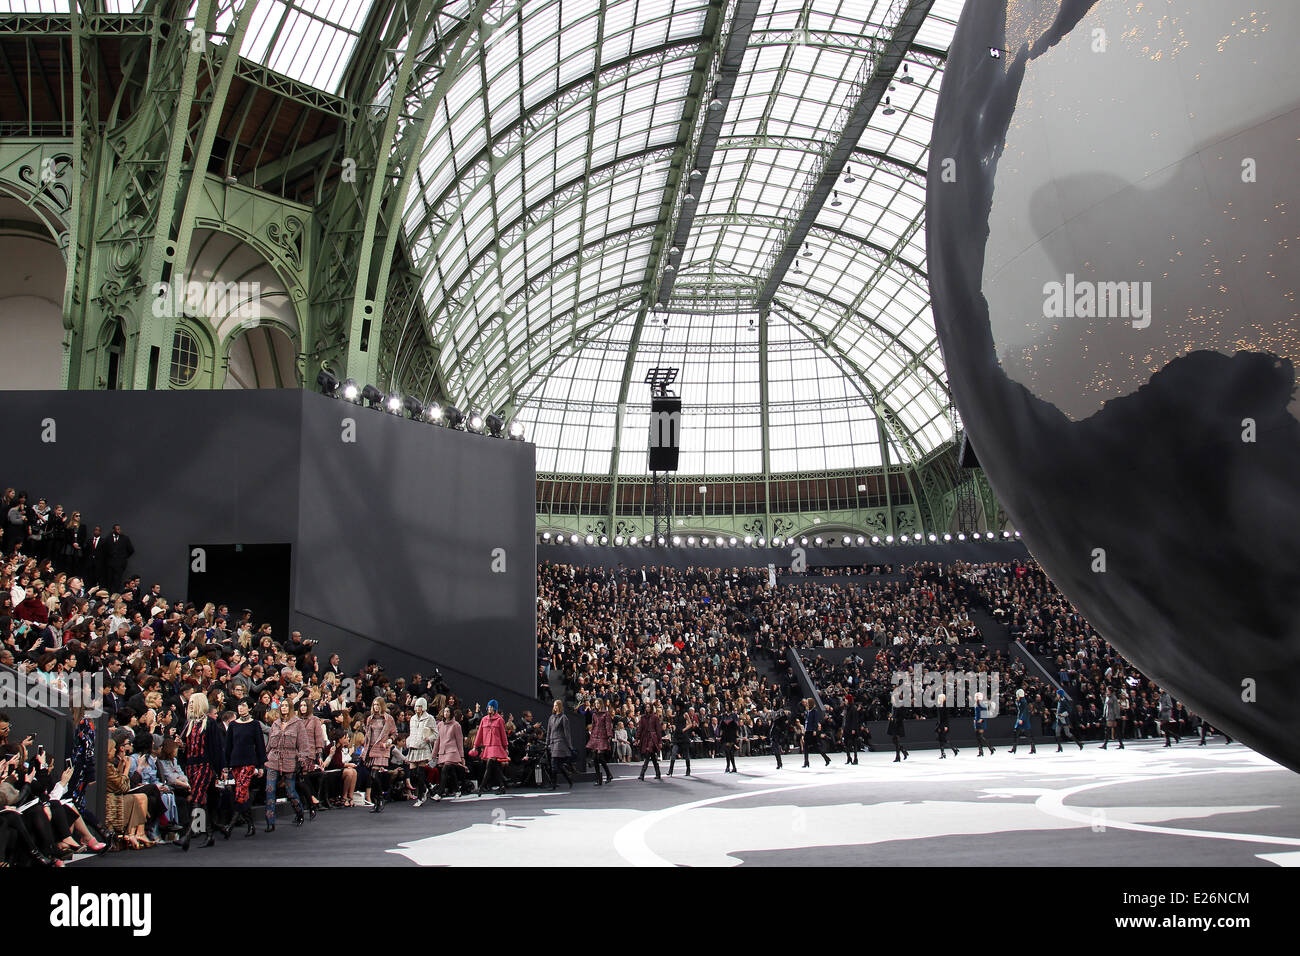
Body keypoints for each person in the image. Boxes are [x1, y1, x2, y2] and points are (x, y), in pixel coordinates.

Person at [179, 691, 227, 849]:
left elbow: (216, 748)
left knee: (197, 797)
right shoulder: (189, 723)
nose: (190, 704)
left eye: (193, 702)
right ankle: (210, 834)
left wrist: (221, 769)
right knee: (201, 800)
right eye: (190, 702)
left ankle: (187, 835)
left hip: (205, 765)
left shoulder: (210, 723)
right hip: (191, 765)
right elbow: (186, 747)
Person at [224, 698, 266, 837]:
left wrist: (260, 766)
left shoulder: (254, 724)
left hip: (249, 762)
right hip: (235, 762)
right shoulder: (233, 725)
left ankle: (230, 826)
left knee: (240, 791)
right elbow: (228, 747)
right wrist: (226, 766)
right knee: (243, 794)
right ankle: (251, 824)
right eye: (239, 706)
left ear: (249, 708)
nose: (240, 708)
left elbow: (260, 746)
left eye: (243, 706)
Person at [264, 698, 306, 831]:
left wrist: (301, 760)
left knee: (290, 792)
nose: (283, 708)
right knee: (270, 790)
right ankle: (270, 821)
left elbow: (303, 745)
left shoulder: (298, 724)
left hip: (290, 760)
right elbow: (269, 744)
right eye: (282, 705)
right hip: (273, 759)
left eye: (286, 706)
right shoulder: (275, 724)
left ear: (291, 708)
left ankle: (300, 812)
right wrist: (263, 758)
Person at [362, 697, 398, 811]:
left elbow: (394, 733)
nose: (375, 707)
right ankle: (378, 800)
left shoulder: (388, 719)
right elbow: (367, 736)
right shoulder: (370, 719)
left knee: (373, 774)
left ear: (381, 705)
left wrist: (389, 741)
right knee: (372, 777)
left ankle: (380, 798)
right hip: (371, 749)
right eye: (374, 705)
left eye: (377, 704)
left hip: (381, 748)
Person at [471, 699, 509, 794]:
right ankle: (502, 786)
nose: (489, 709)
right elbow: (479, 734)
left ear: (495, 708)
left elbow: (503, 735)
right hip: (488, 746)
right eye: (488, 707)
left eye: (491, 707)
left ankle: (481, 787)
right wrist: (475, 746)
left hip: (496, 746)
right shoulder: (484, 720)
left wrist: (506, 747)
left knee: (489, 765)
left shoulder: (500, 720)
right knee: (495, 766)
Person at [406, 697, 438, 806]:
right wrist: (409, 741)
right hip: (413, 747)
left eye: (419, 706)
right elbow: (411, 732)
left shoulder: (429, 718)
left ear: (423, 707)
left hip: (423, 748)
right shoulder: (413, 719)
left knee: (420, 773)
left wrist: (429, 738)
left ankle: (420, 797)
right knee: (413, 774)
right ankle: (428, 787)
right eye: (416, 706)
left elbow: (436, 734)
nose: (417, 708)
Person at [434, 705, 467, 799]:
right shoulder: (440, 725)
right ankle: (457, 790)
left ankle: (439, 793)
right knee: (450, 771)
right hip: (442, 751)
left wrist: (461, 756)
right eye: (445, 711)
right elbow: (437, 741)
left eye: (448, 711)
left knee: (445, 768)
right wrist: (433, 755)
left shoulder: (456, 725)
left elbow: (459, 741)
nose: (446, 713)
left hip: (452, 751)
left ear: (451, 713)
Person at [546, 700, 574, 789]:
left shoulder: (563, 718)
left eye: (556, 705)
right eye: (554, 705)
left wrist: (569, 745)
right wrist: (547, 743)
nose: (555, 707)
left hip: (560, 743)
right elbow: (549, 731)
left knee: (554, 763)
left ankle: (553, 784)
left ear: (560, 706)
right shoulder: (551, 718)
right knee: (558, 765)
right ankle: (568, 779)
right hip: (552, 742)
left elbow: (567, 733)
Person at [586, 697, 614, 786]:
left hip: (603, 736)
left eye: (598, 703)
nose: (596, 705)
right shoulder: (594, 714)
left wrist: (609, 735)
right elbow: (593, 725)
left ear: (601, 704)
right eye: (595, 703)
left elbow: (608, 725)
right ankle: (599, 779)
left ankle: (608, 775)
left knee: (600, 757)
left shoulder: (606, 714)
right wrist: (591, 736)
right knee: (595, 758)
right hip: (595, 736)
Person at [636, 702, 662, 781]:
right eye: (646, 707)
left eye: (648, 707)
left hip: (652, 738)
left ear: (651, 708)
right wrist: (637, 738)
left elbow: (658, 730)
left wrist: (660, 741)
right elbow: (640, 729)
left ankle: (642, 774)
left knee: (648, 755)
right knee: (653, 757)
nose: (647, 708)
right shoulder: (643, 718)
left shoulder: (655, 717)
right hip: (645, 738)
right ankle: (658, 773)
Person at [667, 705, 694, 777]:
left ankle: (688, 769)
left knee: (686, 754)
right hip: (677, 735)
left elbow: (690, 724)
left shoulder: (685, 714)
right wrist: (673, 726)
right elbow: (672, 719)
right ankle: (670, 770)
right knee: (673, 752)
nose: (677, 707)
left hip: (683, 736)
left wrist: (684, 729)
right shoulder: (676, 714)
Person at [802, 699, 829, 768]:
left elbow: (815, 721)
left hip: (812, 731)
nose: (806, 704)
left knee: (816, 747)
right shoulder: (807, 711)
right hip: (807, 730)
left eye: (807, 703)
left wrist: (814, 730)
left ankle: (826, 758)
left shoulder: (814, 711)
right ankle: (806, 762)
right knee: (805, 747)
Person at [1009, 688, 1036, 754]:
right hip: (1020, 719)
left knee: (1028, 734)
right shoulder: (1020, 700)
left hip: (1024, 719)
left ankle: (1033, 748)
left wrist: (1021, 719)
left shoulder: (1023, 701)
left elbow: (1024, 711)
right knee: (1016, 733)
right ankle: (1014, 748)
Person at [936, 693, 958, 758]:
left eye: (940, 698)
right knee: (940, 739)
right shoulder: (939, 705)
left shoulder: (945, 706)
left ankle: (951, 750)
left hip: (944, 724)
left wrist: (946, 726)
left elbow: (946, 717)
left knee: (942, 738)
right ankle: (946, 752)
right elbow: (939, 716)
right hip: (939, 724)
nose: (939, 699)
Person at [973, 692, 995, 756]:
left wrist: (981, 719)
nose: (976, 698)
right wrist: (975, 719)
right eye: (976, 696)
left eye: (977, 696)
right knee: (978, 737)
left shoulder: (982, 704)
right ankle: (981, 751)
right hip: (977, 721)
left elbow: (985, 712)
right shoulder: (976, 704)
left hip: (981, 721)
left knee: (980, 736)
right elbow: (976, 713)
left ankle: (990, 747)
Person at [842, 695, 861, 765]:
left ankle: (855, 759)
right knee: (846, 744)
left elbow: (854, 720)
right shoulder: (846, 708)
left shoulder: (853, 708)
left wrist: (853, 728)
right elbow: (844, 719)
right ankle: (849, 757)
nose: (845, 700)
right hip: (846, 728)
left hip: (852, 729)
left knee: (854, 744)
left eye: (846, 699)